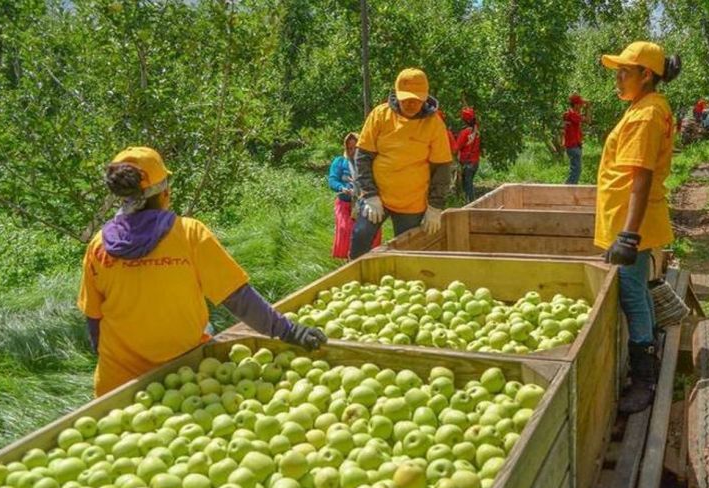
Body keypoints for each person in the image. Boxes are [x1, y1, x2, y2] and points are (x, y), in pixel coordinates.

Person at [78, 146, 326, 397]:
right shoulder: (188, 234)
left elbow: (94, 320)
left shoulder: (98, 247)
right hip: (184, 379)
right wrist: (288, 331)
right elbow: (238, 298)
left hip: (119, 385)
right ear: (164, 192)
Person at [597, 42, 681, 413]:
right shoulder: (643, 108)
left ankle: (643, 378)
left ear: (646, 74)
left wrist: (628, 234)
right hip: (627, 219)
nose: (618, 78)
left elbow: (641, 176)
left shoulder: (647, 114)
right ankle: (649, 351)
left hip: (631, 221)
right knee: (638, 287)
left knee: (631, 293)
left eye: (624, 71)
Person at [350, 68, 452, 259]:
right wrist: (370, 195)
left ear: (425, 98)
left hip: (412, 201)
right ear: (397, 94)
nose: (411, 104)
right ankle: (352, 274)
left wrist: (435, 206)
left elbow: (442, 168)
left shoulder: (434, 124)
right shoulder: (380, 115)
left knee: (406, 249)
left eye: (416, 99)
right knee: (360, 235)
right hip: (378, 196)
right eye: (406, 99)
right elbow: (363, 156)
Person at [328, 132, 380, 258]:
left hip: (364, 202)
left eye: (355, 148)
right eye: (349, 148)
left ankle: (368, 256)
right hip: (345, 203)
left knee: (369, 230)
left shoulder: (367, 163)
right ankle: (347, 259)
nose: (352, 151)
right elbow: (332, 180)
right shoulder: (340, 162)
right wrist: (342, 187)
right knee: (346, 229)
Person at [454, 107, 481, 203]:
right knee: (469, 184)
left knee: (467, 186)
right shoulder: (476, 131)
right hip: (475, 162)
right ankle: (470, 203)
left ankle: (470, 205)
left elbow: (456, 148)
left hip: (467, 163)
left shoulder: (465, 132)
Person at [563, 93, 589, 185]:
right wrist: (588, 107)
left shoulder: (571, 114)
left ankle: (568, 189)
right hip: (573, 146)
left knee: (575, 170)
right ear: (576, 105)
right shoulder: (571, 114)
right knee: (576, 171)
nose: (582, 105)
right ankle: (567, 190)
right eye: (580, 104)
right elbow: (588, 120)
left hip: (574, 146)